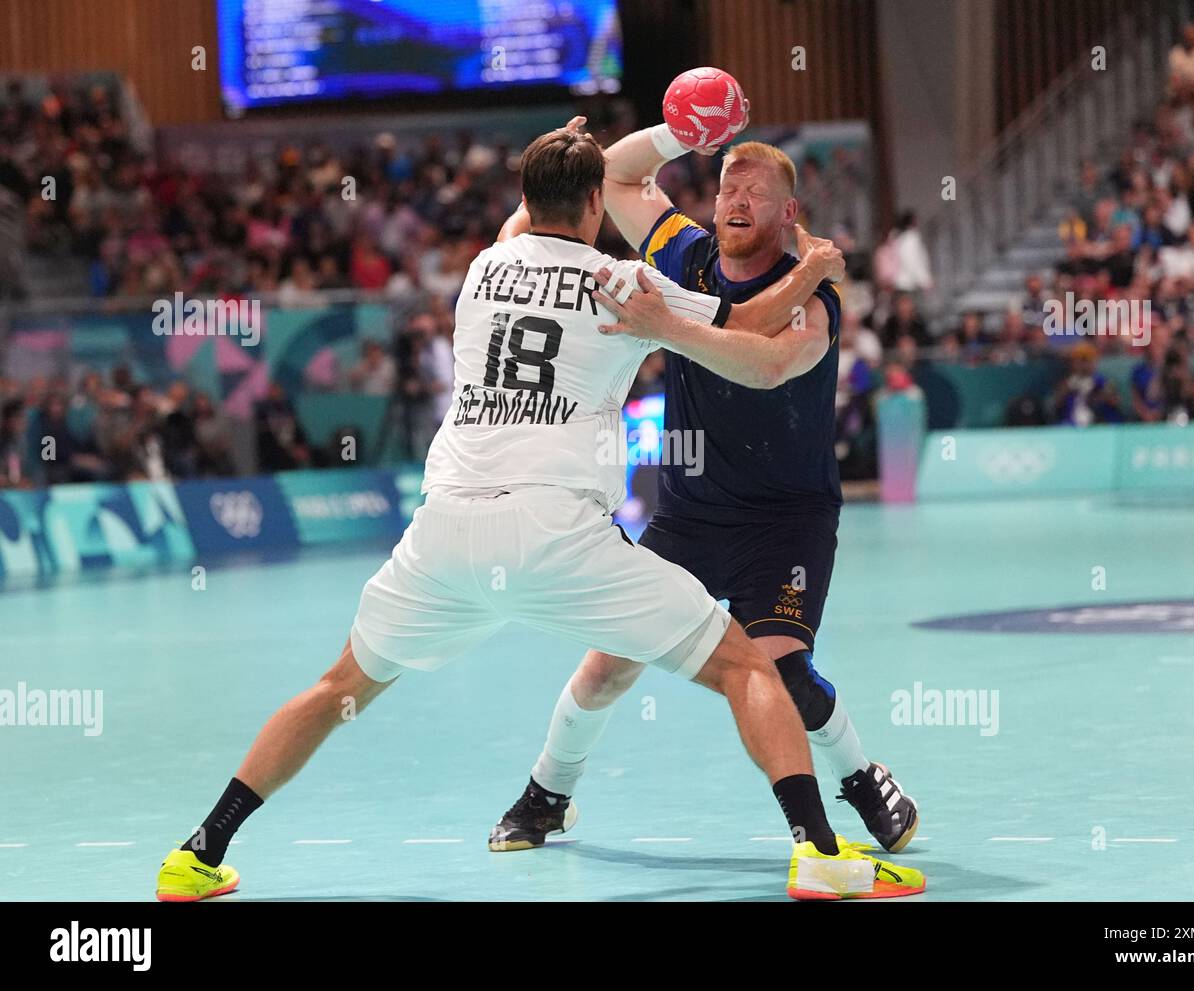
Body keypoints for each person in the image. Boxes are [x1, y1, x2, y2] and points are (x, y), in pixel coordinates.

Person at [155, 123, 925, 903]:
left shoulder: (484, 266)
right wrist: (810, 271)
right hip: (558, 536)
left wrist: (614, 142)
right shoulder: (624, 286)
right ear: (596, 204)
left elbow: (569, 197)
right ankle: (821, 853)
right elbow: (752, 327)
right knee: (746, 667)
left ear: (525, 201)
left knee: (336, 688)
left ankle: (201, 847)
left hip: (444, 536)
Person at [489, 115, 919, 859]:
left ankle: (860, 777)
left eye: (755, 190)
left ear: (789, 214)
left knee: (782, 670)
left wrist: (666, 326)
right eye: (725, 186)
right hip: (689, 514)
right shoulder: (685, 255)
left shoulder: (811, 293)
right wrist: (680, 130)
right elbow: (617, 178)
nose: (734, 199)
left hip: (787, 519)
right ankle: (546, 794)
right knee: (609, 661)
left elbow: (766, 364)